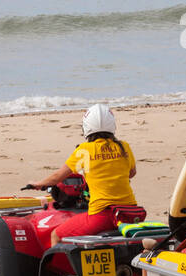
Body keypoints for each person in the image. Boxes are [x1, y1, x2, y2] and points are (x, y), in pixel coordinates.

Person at [27, 103, 141, 244]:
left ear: (86, 127)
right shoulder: (124, 146)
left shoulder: (84, 150)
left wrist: (38, 184)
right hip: (129, 213)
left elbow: (57, 177)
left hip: (102, 215)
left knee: (56, 235)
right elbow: (131, 173)